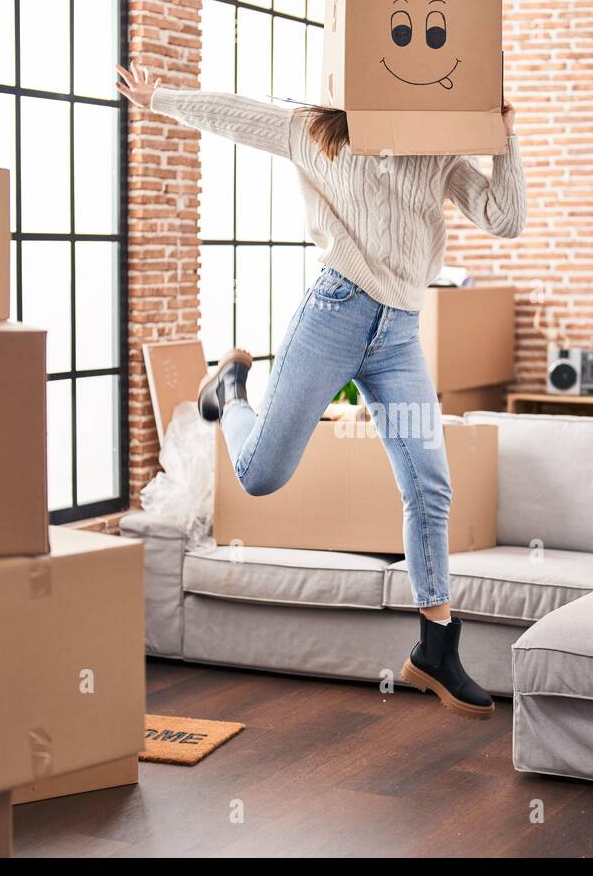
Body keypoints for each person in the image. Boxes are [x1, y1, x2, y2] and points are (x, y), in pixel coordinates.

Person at [117, 63, 526, 719]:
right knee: (261, 476)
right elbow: (234, 114)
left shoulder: (440, 146)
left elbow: (505, 219)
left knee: (430, 484)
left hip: (398, 334)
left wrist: (501, 135)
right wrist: (160, 98)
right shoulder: (318, 130)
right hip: (334, 313)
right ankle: (231, 393)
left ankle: (434, 651)